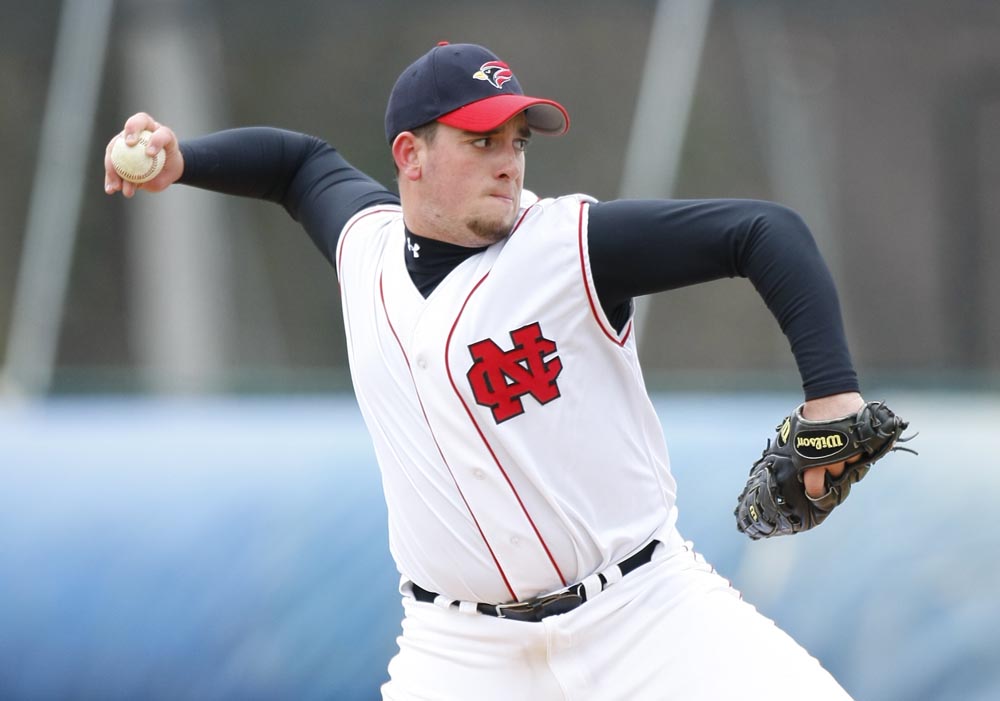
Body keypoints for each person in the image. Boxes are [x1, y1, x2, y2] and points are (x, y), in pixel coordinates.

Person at [105, 42, 863, 700]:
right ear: (411, 155)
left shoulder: (571, 246)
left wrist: (833, 399)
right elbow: (298, 164)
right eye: (481, 141)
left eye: (516, 140)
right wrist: (184, 160)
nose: (508, 162)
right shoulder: (363, 246)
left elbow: (766, 233)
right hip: (461, 652)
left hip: (641, 617)